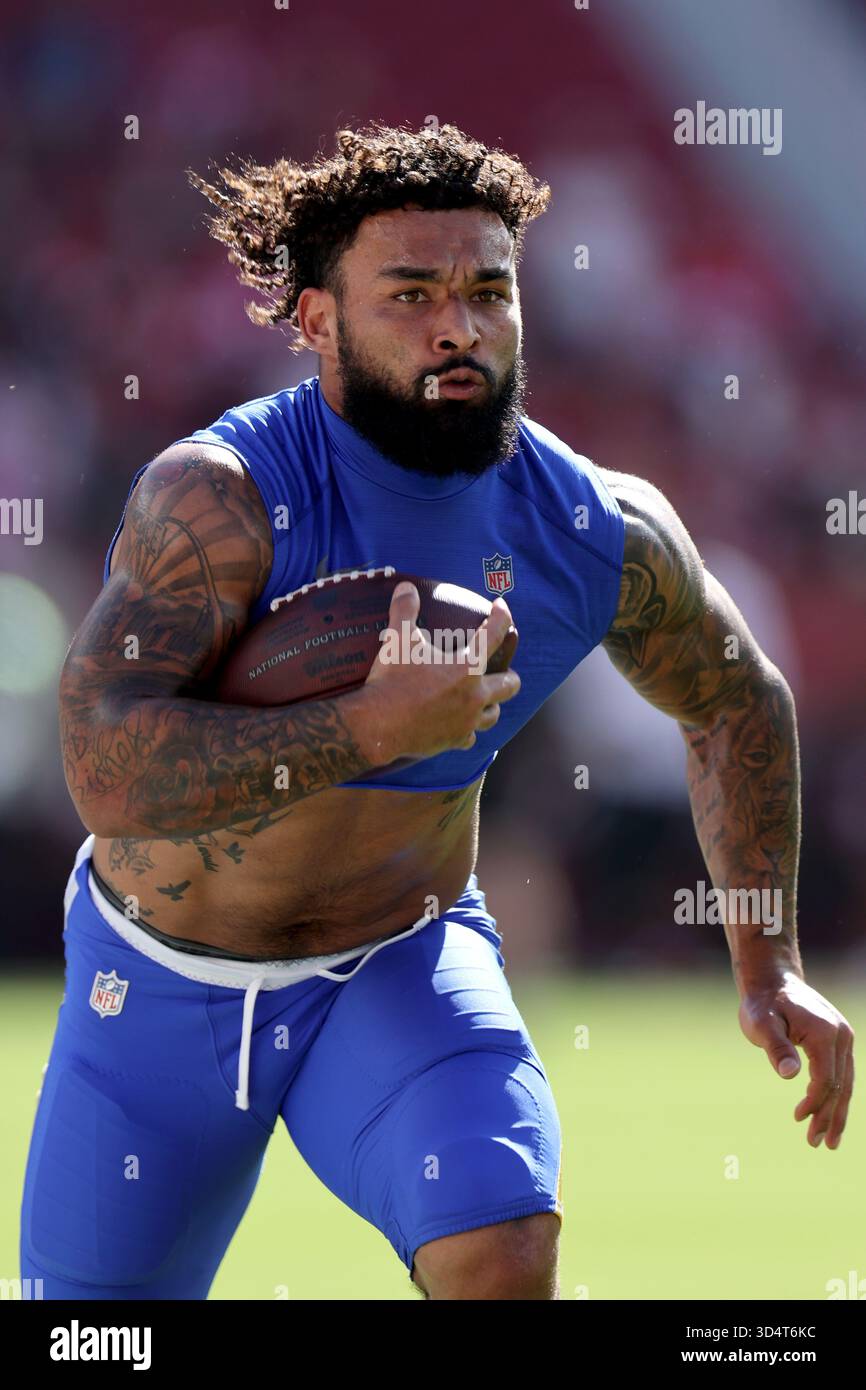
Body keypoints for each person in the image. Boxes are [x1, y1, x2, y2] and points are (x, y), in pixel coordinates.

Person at [21, 123, 853, 1301]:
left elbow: (734, 699)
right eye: (409, 293)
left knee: (502, 1255)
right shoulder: (220, 497)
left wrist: (767, 962)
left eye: (486, 290)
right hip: (159, 986)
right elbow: (102, 768)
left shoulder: (588, 527)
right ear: (315, 320)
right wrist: (367, 727)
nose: (455, 326)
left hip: (394, 962)